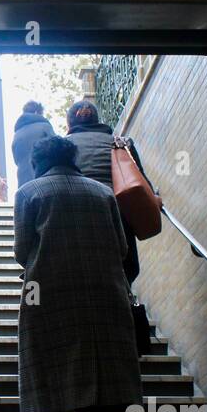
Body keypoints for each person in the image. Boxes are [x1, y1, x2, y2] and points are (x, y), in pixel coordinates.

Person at [14, 135, 141, 412]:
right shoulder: (102, 193)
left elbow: (23, 252)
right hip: (103, 293)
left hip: (48, 290)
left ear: (38, 162)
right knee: (97, 385)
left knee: (49, 357)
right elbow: (122, 247)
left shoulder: (29, 193)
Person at [65, 99, 147, 284]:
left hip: (77, 218)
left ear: (69, 124)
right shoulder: (121, 143)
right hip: (119, 217)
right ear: (97, 120)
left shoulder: (62, 146)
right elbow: (141, 182)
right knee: (125, 270)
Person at [11, 101, 53, 187]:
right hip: (44, 178)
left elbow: (16, 159)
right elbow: (58, 148)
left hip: (23, 181)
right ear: (37, 112)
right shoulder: (45, 127)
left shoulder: (17, 134)